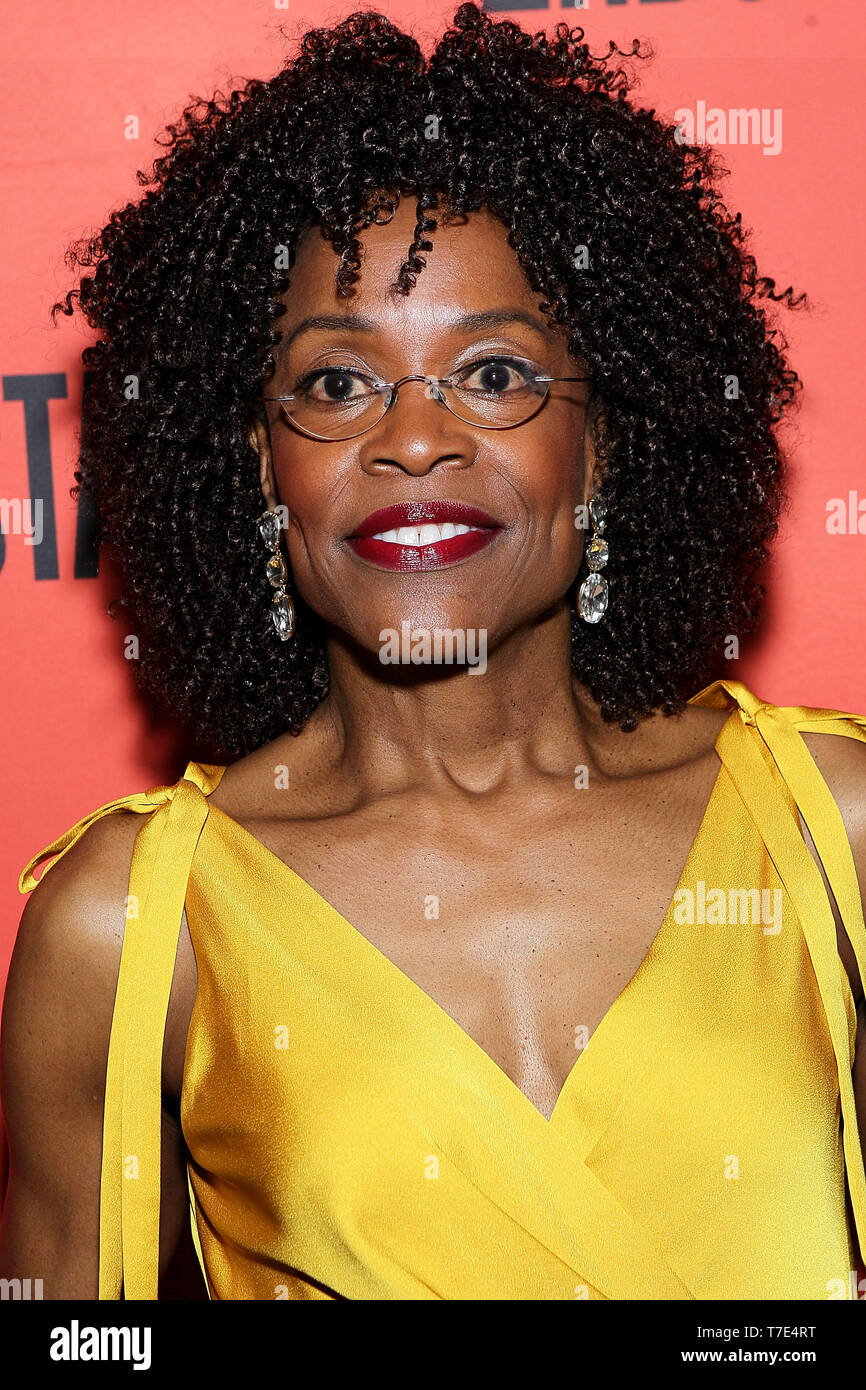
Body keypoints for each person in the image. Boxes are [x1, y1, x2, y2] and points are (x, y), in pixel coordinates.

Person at [2, 3, 865, 1301]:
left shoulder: (830, 832)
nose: (412, 437)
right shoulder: (131, 928)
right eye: (336, 384)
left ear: (607, 438)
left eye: (494, 372)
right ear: (258, 463)